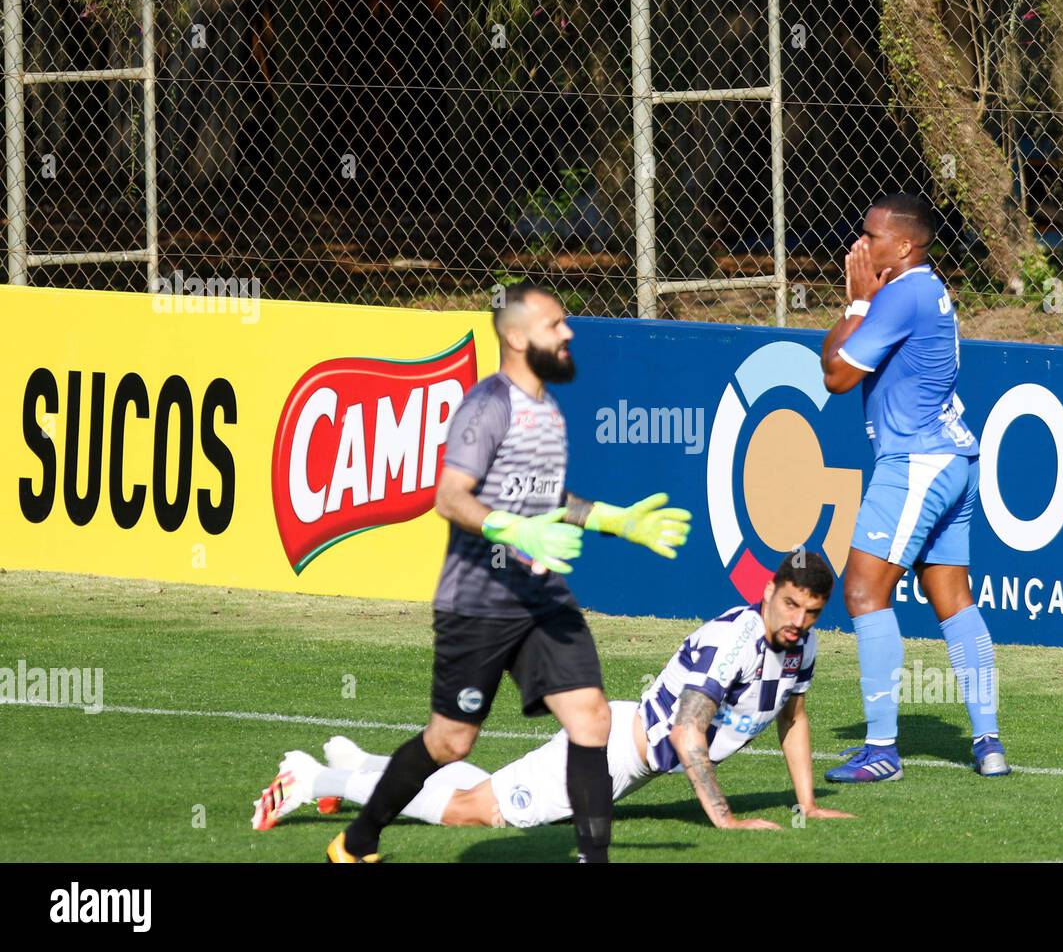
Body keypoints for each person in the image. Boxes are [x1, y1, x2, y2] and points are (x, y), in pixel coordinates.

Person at [326, 284, 691, 862]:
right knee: (451, 741)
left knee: (591, 719)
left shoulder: (546, 409)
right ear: (517, 337)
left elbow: (548, 500)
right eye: (555, 325)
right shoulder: (488, 405)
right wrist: (512, 530)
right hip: (479, 603)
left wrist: (614, 520)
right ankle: (357, 839)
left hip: (540, 597)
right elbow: (450, 497)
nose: (569, 333)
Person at [258, 554, 853, 833]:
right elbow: (685, 731)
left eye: (811, 610)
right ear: (769, 588)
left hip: (624, 751)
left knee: (478, 790)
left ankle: (361, 766)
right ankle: (318, 781)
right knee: (476, 812)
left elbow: (792, 715)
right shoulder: (739, 639)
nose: (798, 619)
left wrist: (807, 801)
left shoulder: (803, 646)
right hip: (612, 754)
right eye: (790, 602)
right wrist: (725, 821)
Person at [819, 193, 1010, 783]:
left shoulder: (898, 295)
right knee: (952, 597)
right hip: (956, 459)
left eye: (870, 235)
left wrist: (855, 300)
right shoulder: (924, 288)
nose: (860, 245)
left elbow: (835, 374)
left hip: (916, 463)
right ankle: (989, 743)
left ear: (902, 246)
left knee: (862, 592)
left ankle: (881, 750)